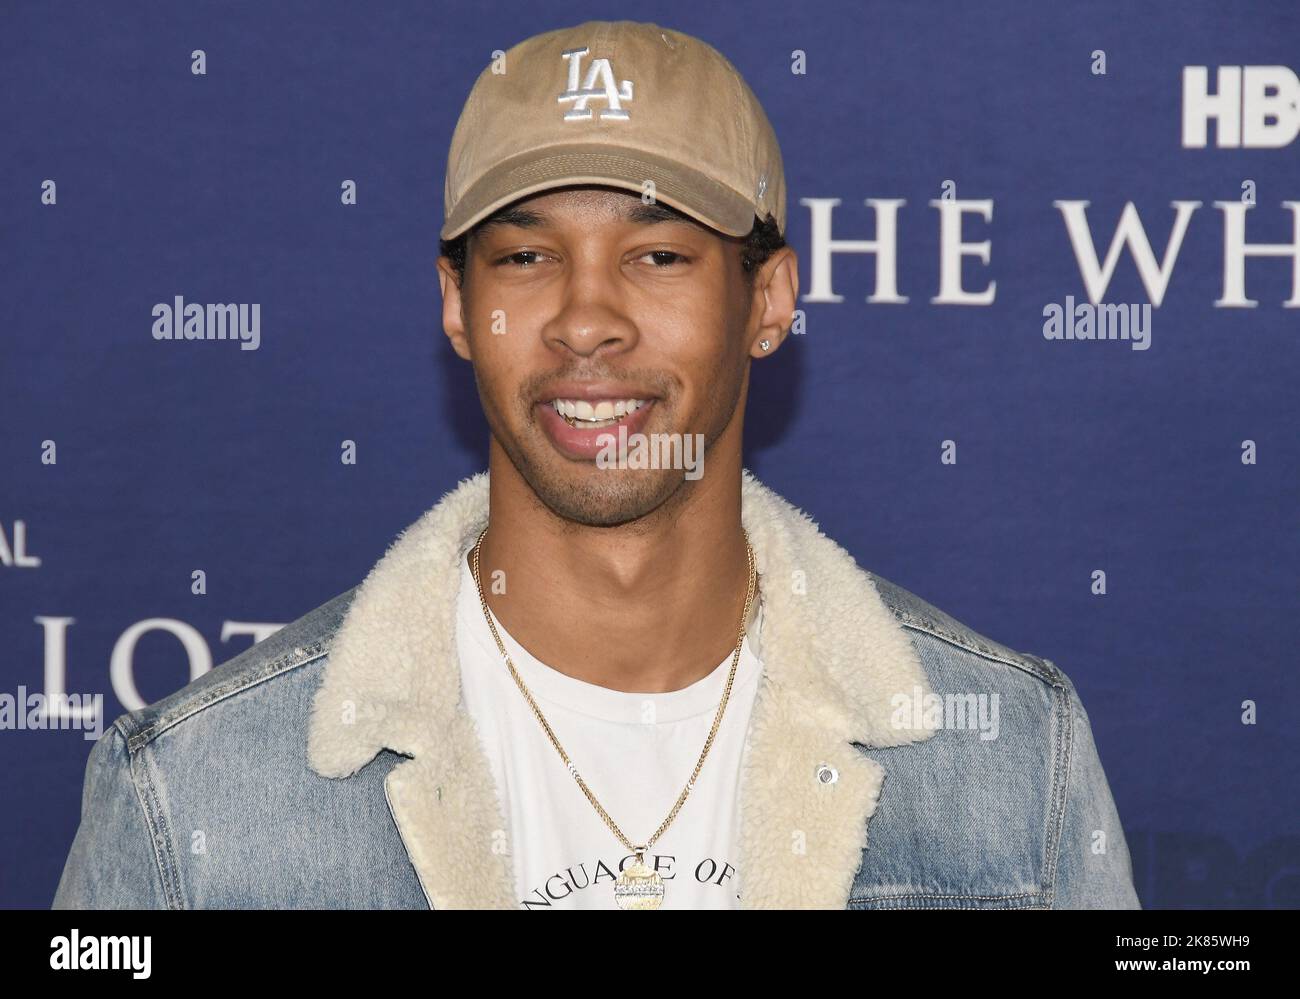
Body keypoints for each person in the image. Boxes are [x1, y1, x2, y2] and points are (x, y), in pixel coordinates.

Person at [52, 19, 1139, 910]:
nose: (585, 321)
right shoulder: (191, 795)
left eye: (657, 255)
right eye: (526, 257)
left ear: (767, 300)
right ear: (457, 306)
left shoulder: (1003, 759)